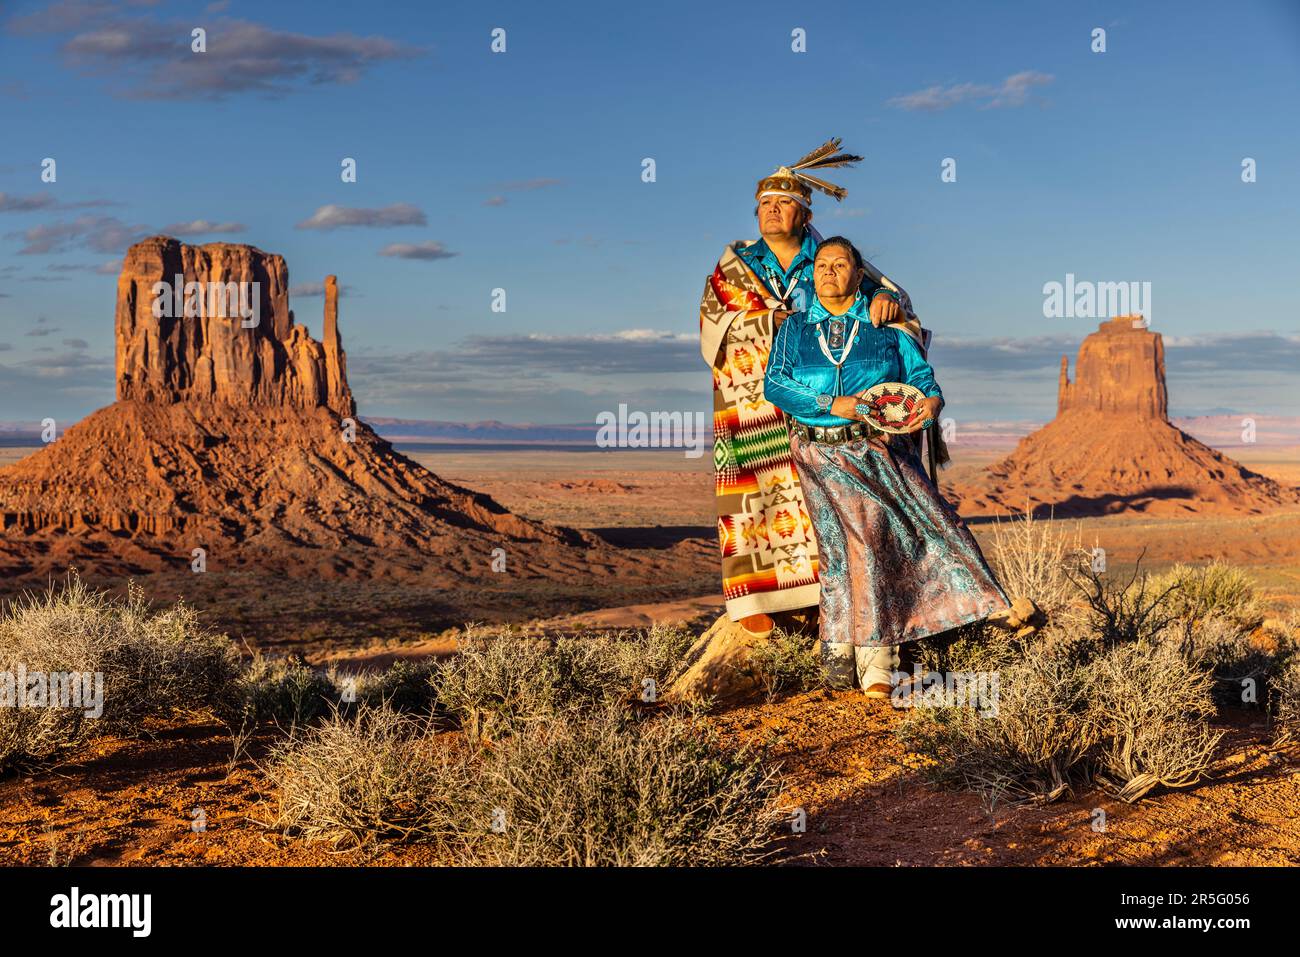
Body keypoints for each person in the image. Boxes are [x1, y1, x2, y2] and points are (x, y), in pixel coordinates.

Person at [764, 236, 1011, 697]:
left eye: (841, 264)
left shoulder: (888, 324)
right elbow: (775, 385)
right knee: (838, 551)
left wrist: (931, 402)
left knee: (870, 545)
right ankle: (838, 654)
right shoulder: (795, 330)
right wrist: (829, 402)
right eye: (822, 264)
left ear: (860, 275)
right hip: (816, 452)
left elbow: (919, 377)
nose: (829, 271)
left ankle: (879, 660)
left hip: (875, 450)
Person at [699, 139, 922, 637]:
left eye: (783, 204)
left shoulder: (830, 259)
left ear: (805, 212)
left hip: (822, 398)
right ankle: (755, 597)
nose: (771, 212)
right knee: (755, 492)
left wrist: (885, 302)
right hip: (751, 399)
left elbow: (893, 298)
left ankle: (832, 596)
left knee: (822, 492)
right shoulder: (736, 266)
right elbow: (713, 324)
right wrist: (770, 321)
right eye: (764, 205)